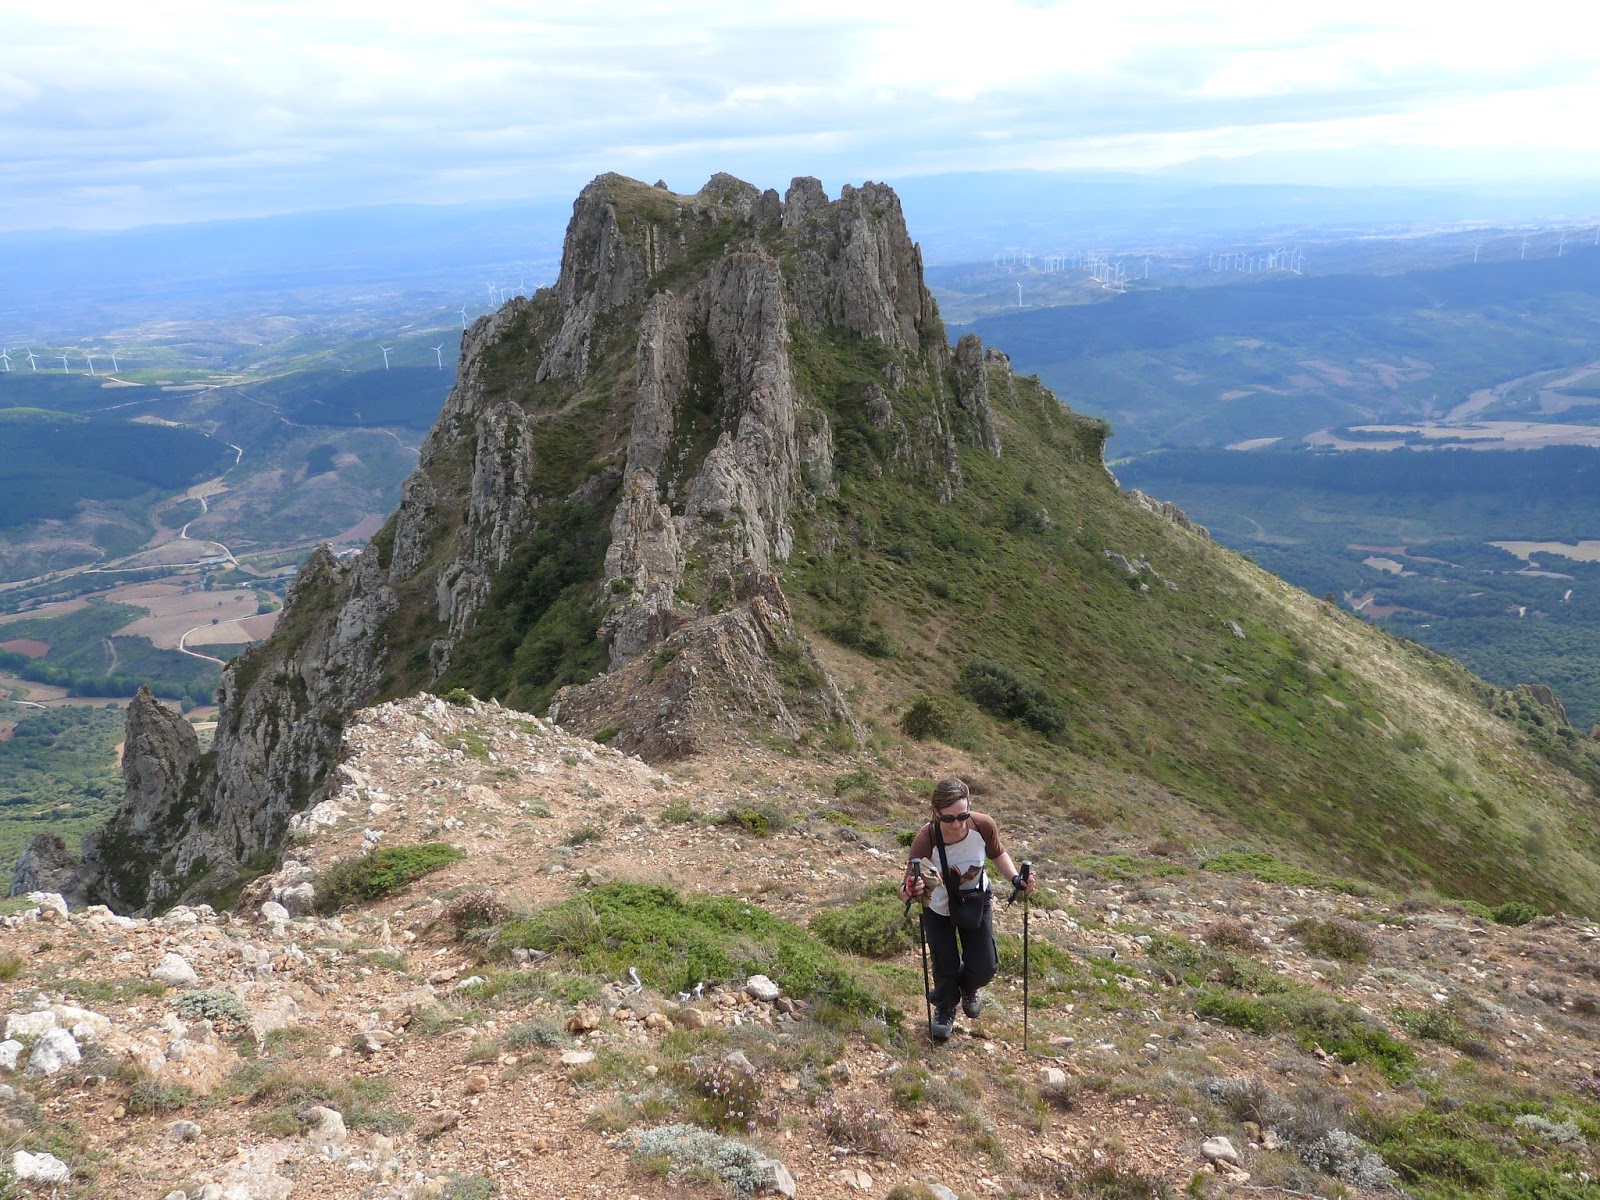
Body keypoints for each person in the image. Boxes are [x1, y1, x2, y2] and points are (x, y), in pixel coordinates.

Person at [899, 776, 1036, 1040]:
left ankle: (968, 989)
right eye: (948, 818)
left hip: (976, 900)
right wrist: (910, 890)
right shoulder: (926, 837)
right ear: (935, 813)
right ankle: (945, 1007)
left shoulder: (983, 825)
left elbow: (997, 853)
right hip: (938, 907)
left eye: (963, 815)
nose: (957, 823)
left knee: (984, 966)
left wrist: (1016, 880)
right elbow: (908, 881)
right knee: (945, 965)